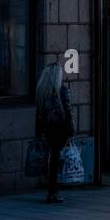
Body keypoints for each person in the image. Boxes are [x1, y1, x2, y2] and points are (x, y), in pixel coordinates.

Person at [34, 62, 75, 204]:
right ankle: (54, 192)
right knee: (56, 162)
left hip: (47, 131)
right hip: (59, 131)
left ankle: (52, 190)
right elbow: (68, 112)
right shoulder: (61, 90)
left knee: (52, 162)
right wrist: (71, 130)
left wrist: (38, 133)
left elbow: (38, 116)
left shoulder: (41, 92)